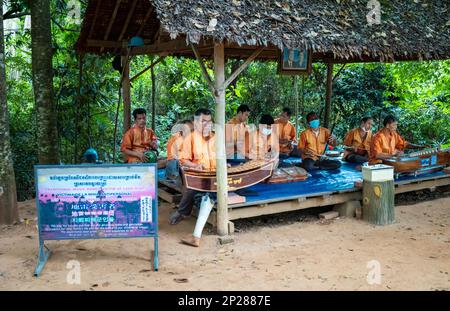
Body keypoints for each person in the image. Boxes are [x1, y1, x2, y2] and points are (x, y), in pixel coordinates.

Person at [169, 108, 215, 225]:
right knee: (192, 188)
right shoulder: (190, 138)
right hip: (198, 173)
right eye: (203, 121)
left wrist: (224, 164)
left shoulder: (215, 137)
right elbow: (183, 160)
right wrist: (196, 165)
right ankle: (182, 212)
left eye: (209, 121)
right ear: (195, 123)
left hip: (215, 174)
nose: (207, 124)